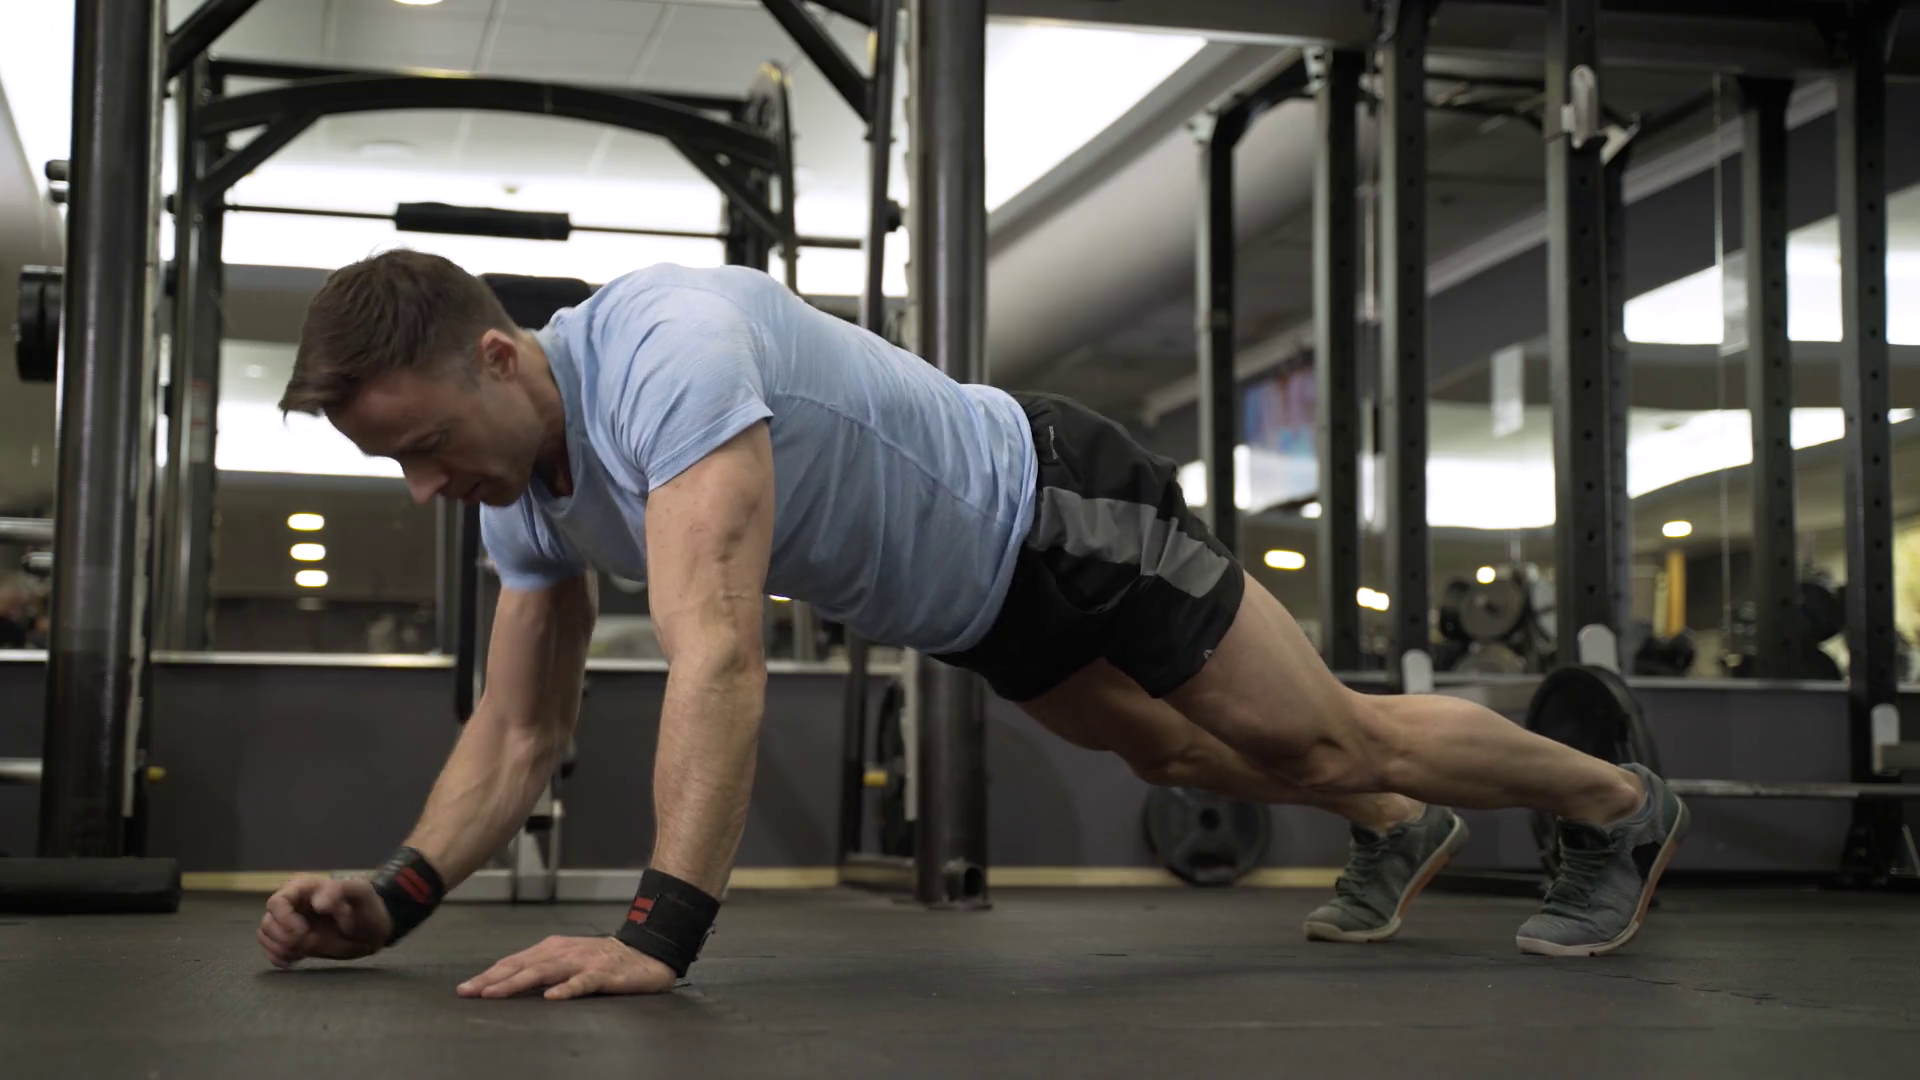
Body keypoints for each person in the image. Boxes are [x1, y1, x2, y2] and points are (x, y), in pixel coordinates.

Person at [255, 250, 1687, 1000]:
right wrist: (395, 897)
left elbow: (720, 655)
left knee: (1313, 736)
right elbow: (519, 729)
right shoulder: (522, 493)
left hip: (1055, 504)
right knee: (1176, 763)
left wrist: (658, 933)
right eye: (401, 467)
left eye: (428, 444)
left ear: (499, 358)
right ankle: (1398, 823)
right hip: (974, 602)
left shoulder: (664, 356)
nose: (429, 488)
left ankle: (1616, 800)